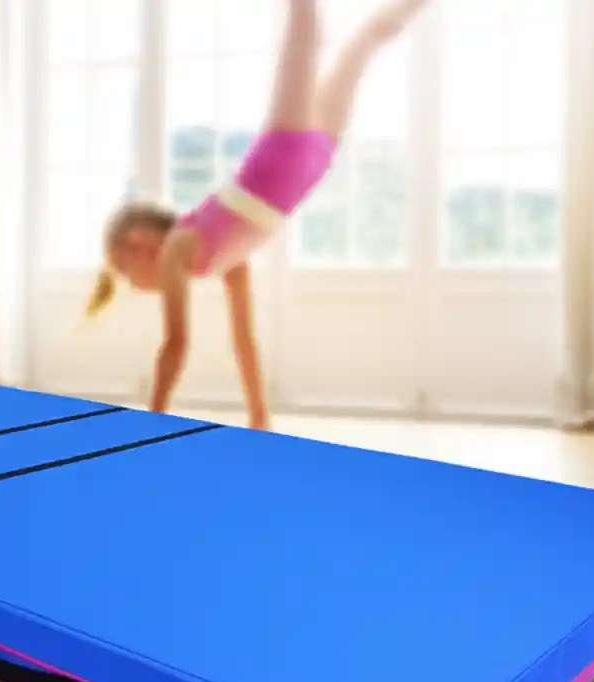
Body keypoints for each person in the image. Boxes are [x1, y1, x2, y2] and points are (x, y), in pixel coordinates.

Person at [86, 0, 428, 430]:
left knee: (305, 32)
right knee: (360, 46)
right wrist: (259, 416)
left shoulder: (179, 247)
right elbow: (244, 340)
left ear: (137, 241)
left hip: (283, 154)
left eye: (124, 270)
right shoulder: (217, 257)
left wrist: (152, 419)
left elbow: (175, 343)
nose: (135, 285)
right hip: (312, 161)